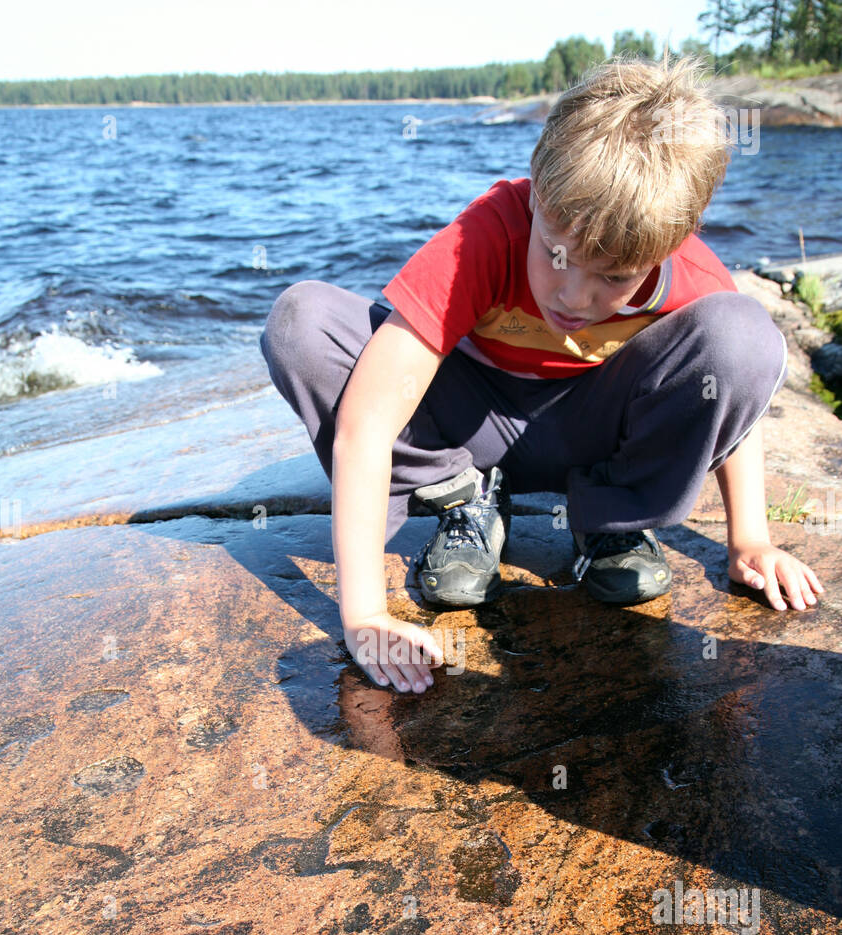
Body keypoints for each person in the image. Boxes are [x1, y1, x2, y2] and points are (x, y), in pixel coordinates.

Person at [260, 54, 823, 695]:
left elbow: (728, 393)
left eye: (613, 276)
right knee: (301, 322)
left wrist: (750, 540)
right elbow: (367, 423)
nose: (575, 297)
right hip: (468, 431)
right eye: (558, 255)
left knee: (742, 335)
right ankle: (462, 500)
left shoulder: (689, 271)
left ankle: (607, 520)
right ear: (537, 184)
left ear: (677, 238)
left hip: (594, 437)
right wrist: (364, 614)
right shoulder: (486, 235)